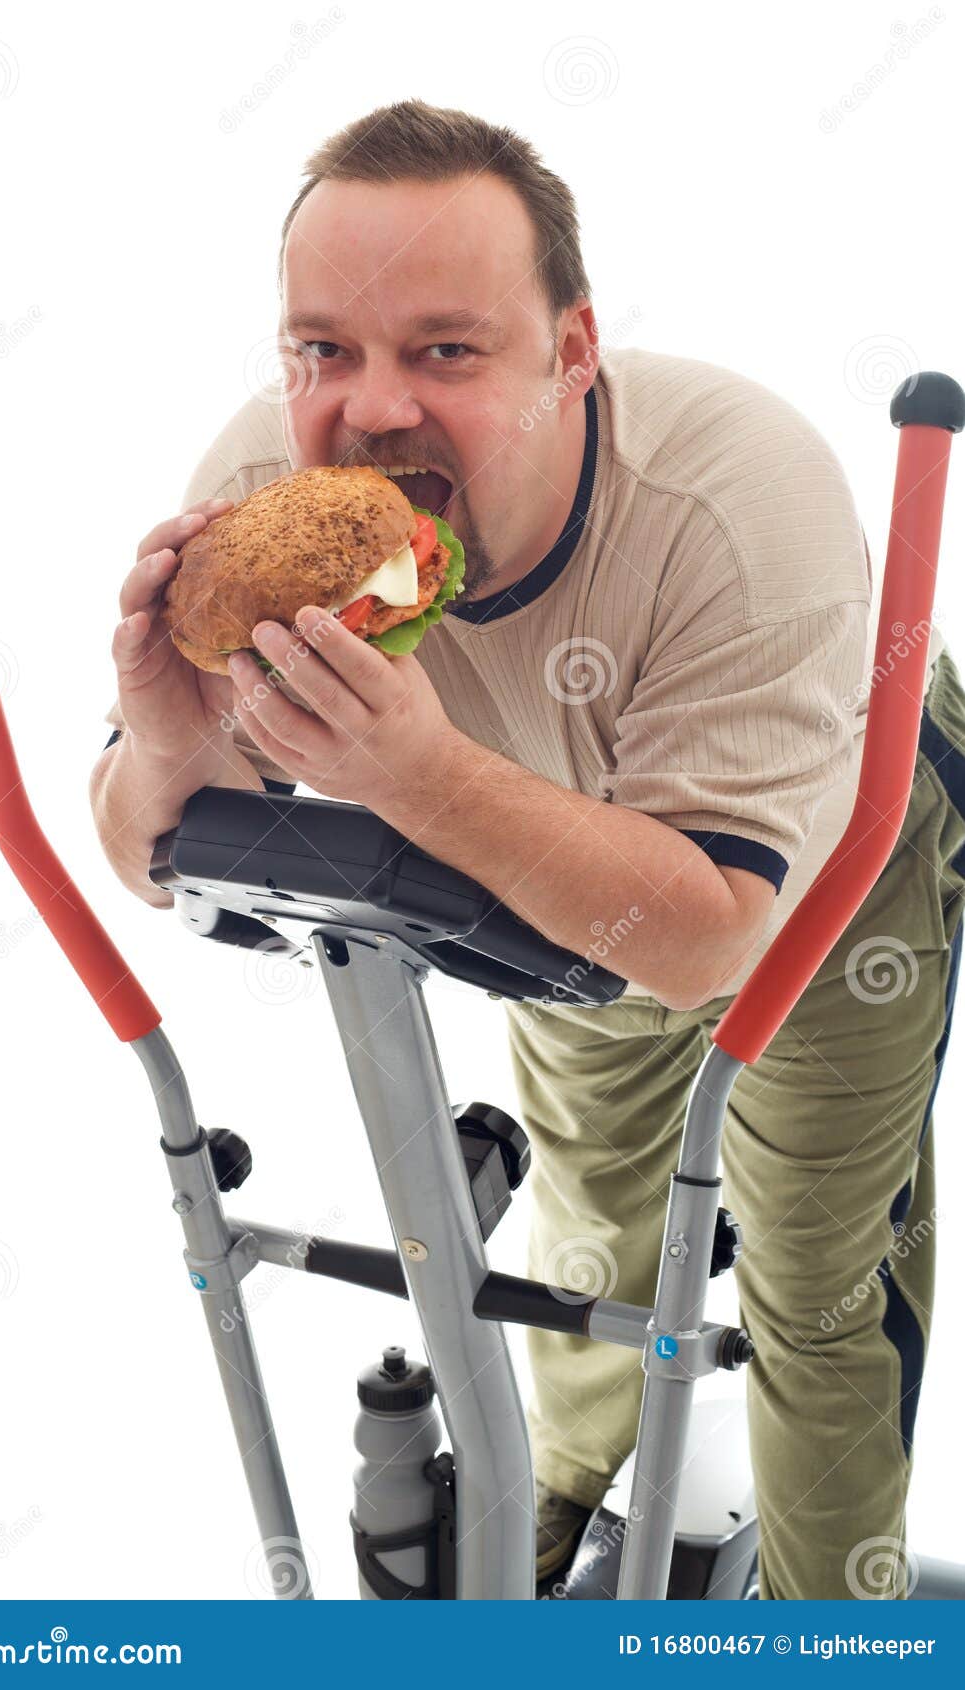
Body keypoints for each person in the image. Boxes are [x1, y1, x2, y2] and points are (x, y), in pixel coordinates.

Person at [90, 100, 965, 1600]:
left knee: (814, 1279)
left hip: (821, 873)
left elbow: (700, 939)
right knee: (594, 1242)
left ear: (571, 354)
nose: (367, 412)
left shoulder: (736, 495)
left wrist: (416, 772)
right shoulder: (266, 489)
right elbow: (142, 844)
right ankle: (542, 1529)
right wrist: (170, 746)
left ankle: (836, 1615)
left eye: (446, 349)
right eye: (323, 351)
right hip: (539, 861)